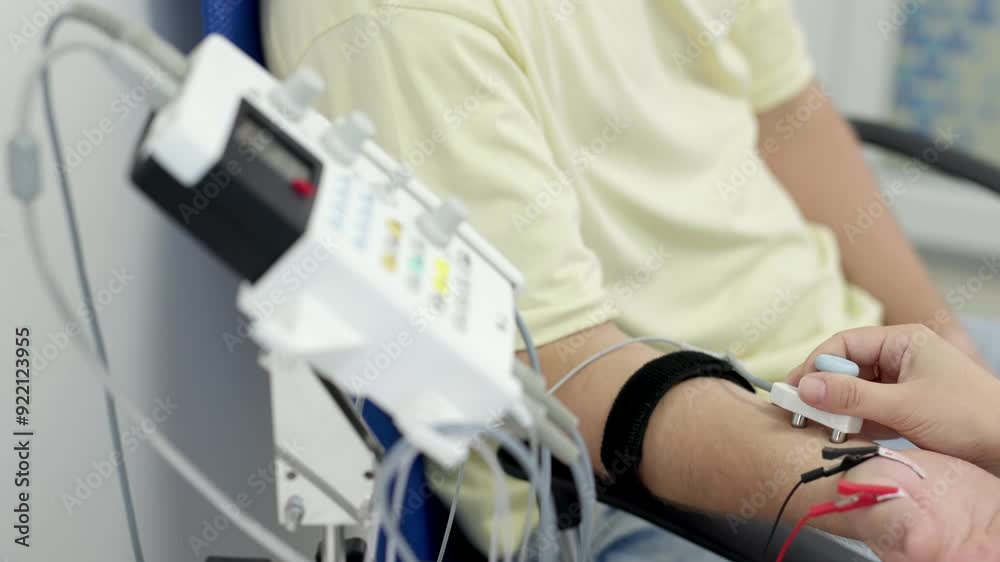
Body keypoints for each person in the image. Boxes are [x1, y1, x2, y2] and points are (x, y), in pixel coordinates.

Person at [262, 1, 1000, 560]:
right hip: (636, 484)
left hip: (866, 370)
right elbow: (566, 376)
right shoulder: (387, 23)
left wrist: (951, 351)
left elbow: (788, 112)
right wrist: (880, 486)